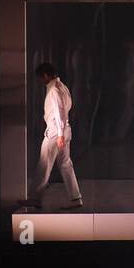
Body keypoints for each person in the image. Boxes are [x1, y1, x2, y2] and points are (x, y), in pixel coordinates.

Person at [21, 62, 83, 209]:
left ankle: (35, 199)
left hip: (56, 132)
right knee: (66, 164)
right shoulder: (63, 87)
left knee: (44, 164)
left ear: (45, 76)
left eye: (40, 78)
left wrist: (60, 134)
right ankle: (75, 198)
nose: (40, 81)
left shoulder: (54, 90)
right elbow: (67, 108)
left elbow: (59, 112)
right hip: (63, 130)